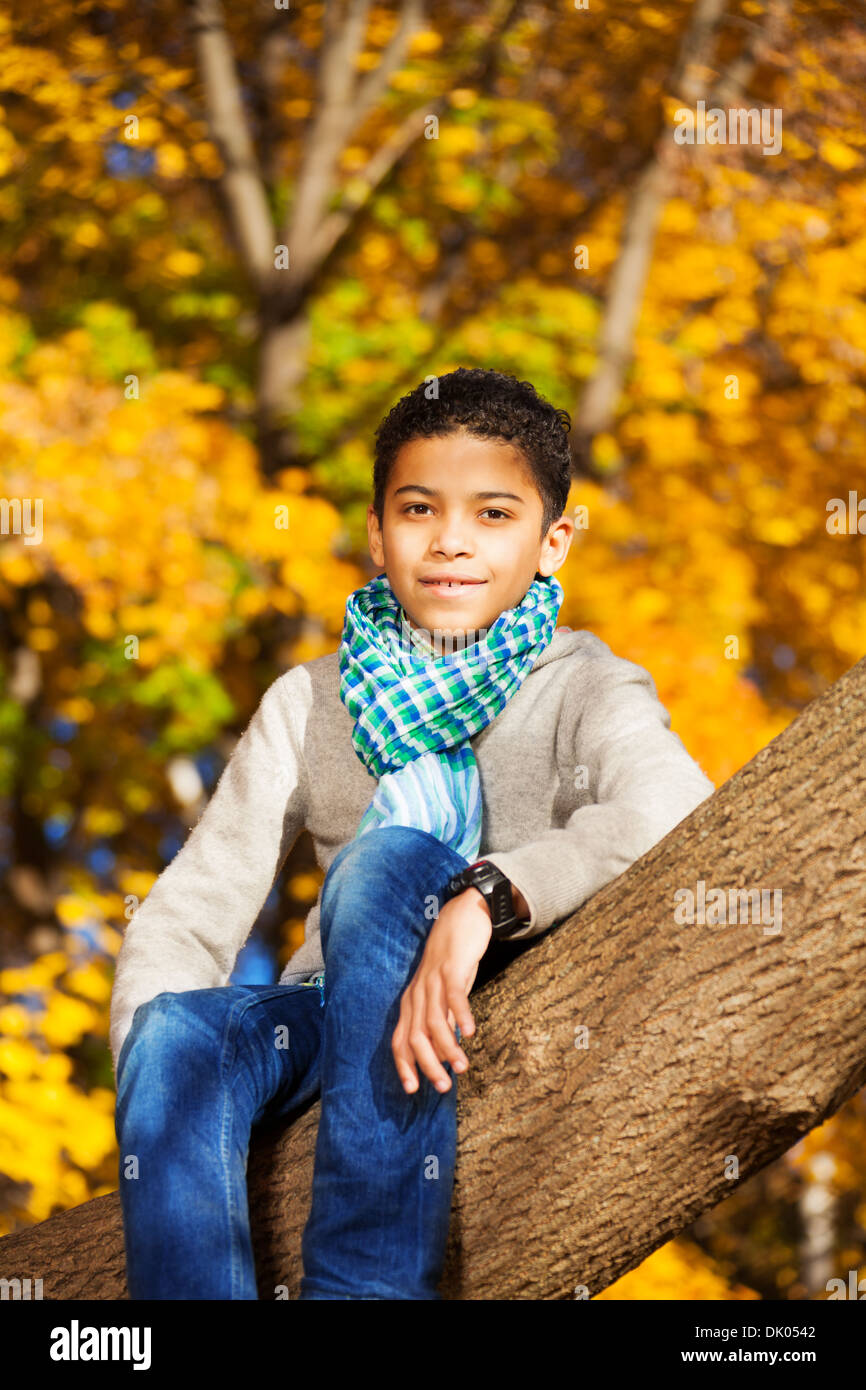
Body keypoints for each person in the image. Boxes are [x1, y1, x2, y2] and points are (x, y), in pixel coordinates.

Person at [110, 366, 715, 1299]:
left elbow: (673, 809)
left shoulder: (585, 681)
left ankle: (368, 1287)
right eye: (420, 510)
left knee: (384, 861)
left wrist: (487, 896)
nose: (450, 544)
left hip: (483, 998)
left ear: (554, 543)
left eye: (494, 515)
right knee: (174, 1034)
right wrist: (149, 1095)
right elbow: (185, 915)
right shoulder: (310, 700)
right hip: (327, 1011)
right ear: (376, 533)